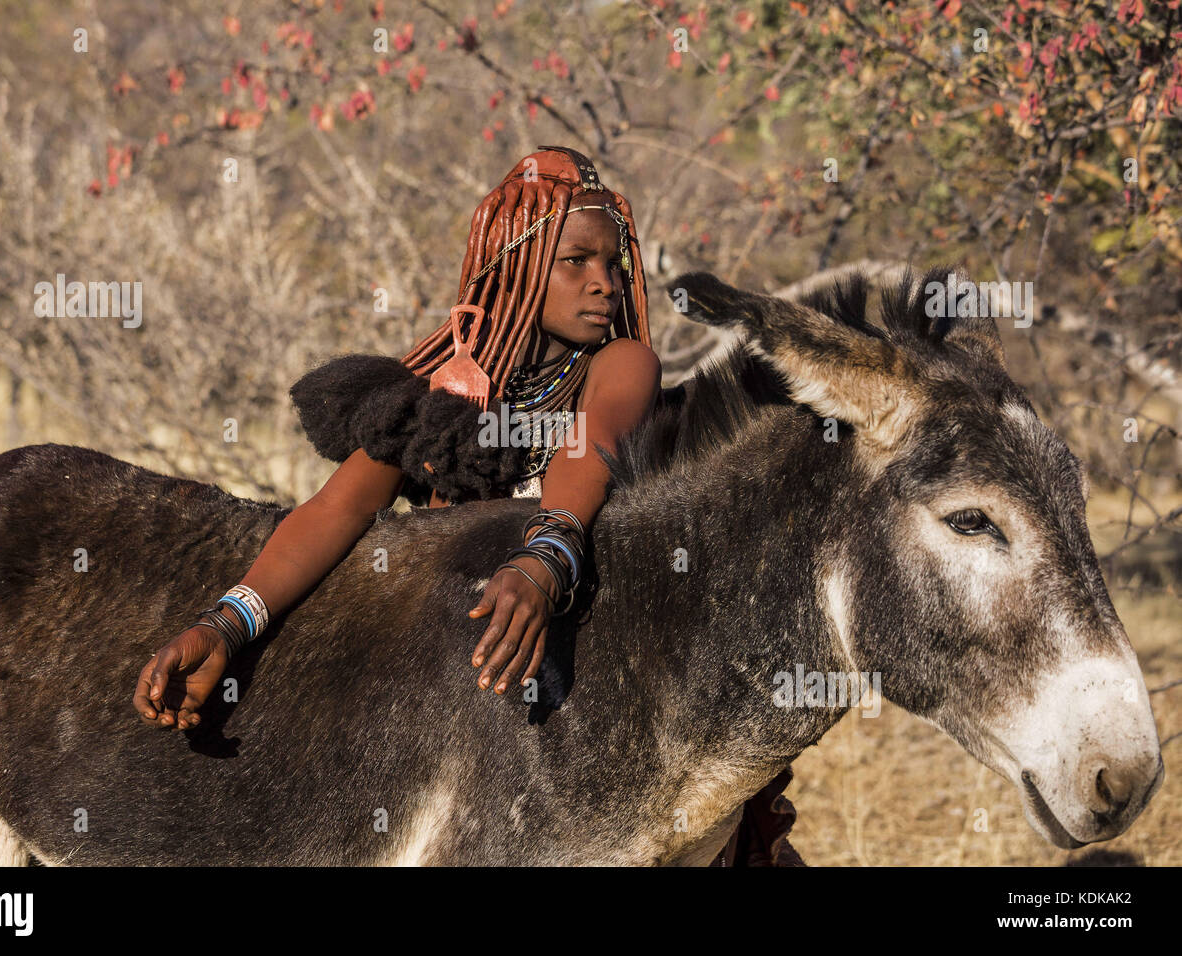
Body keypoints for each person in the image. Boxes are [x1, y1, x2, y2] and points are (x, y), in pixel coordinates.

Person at [130, 145, 801, 866]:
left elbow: (590, 447)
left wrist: (545, 558)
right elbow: (334, 513)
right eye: (575, 261)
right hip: (461, 707)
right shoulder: (440, 397)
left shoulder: (621, 366)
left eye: (614, 264)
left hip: (606, 707)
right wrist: (227, 624)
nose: (603, 283)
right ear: (515, 266)